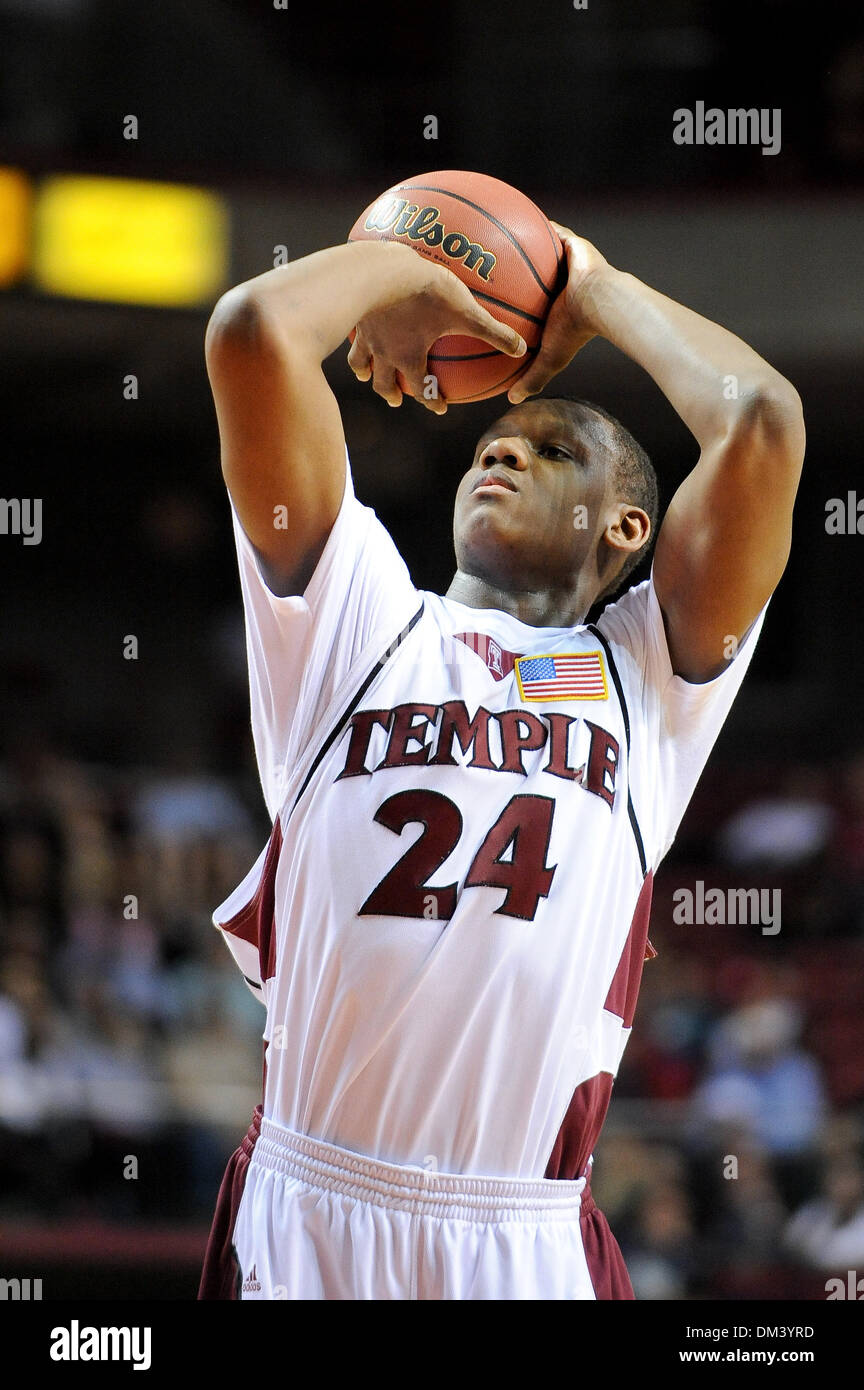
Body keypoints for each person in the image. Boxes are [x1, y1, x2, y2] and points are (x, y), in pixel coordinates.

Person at [197, 220, 805, 1300]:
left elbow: (761, 423)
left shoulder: (646, 680)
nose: (503, 450)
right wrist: (411, 271)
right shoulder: (356, 618)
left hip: (519, 1237)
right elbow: (253, 332)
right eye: (489, 446)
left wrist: (594, 284)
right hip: (309, 1204)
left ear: (627, 526)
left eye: (551, 448)